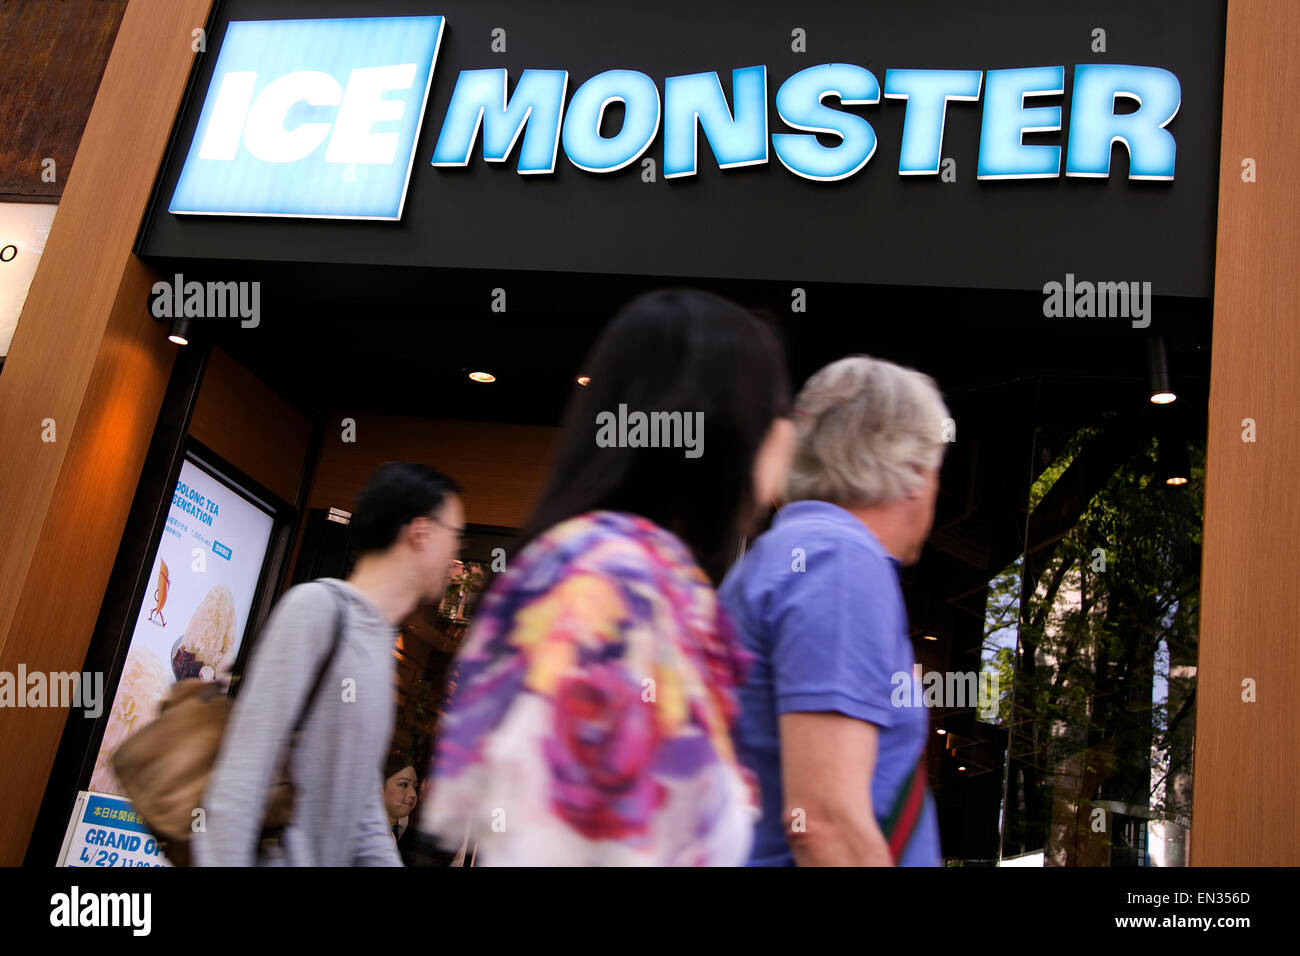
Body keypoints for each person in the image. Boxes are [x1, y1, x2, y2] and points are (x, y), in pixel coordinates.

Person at [419, 289, 795, 866]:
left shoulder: (632, 574)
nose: (789, 434)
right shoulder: (616, 585)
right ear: (725, 428)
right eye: (775, 408)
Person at [719, 355, 949, 866]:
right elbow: (822, 824)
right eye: (936, 468)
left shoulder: (788, 554)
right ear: (913, 472)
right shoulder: (838, 561)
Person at [194, 463, 464, 866]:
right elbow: (240, 779)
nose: (457, 557)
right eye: (455, 537)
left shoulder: (377, 641)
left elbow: (361, 809)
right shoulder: (316, 611)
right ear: (422, 532)